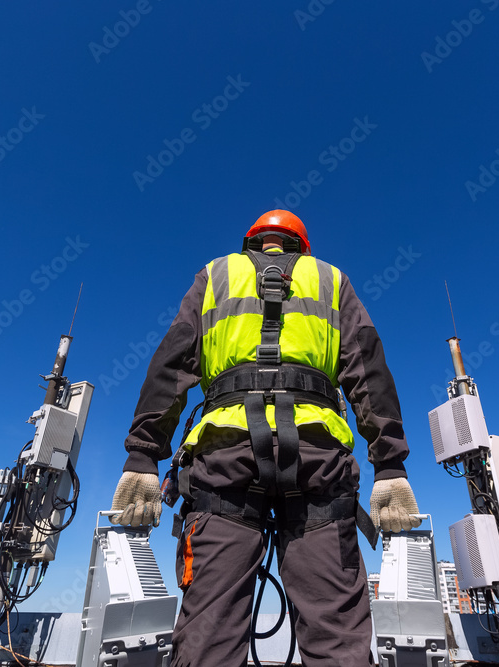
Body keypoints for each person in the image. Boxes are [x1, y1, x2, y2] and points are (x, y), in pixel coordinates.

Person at [109, 210, 421, 666]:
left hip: (224, 461)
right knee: (337, 635)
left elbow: (171, 364)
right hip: (318, 463)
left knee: (208, 632)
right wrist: (390, 466)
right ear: (302, 246)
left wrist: (143, 455)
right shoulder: (332, 280)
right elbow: (368, 368)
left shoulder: (215, 274)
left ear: (251, 243)